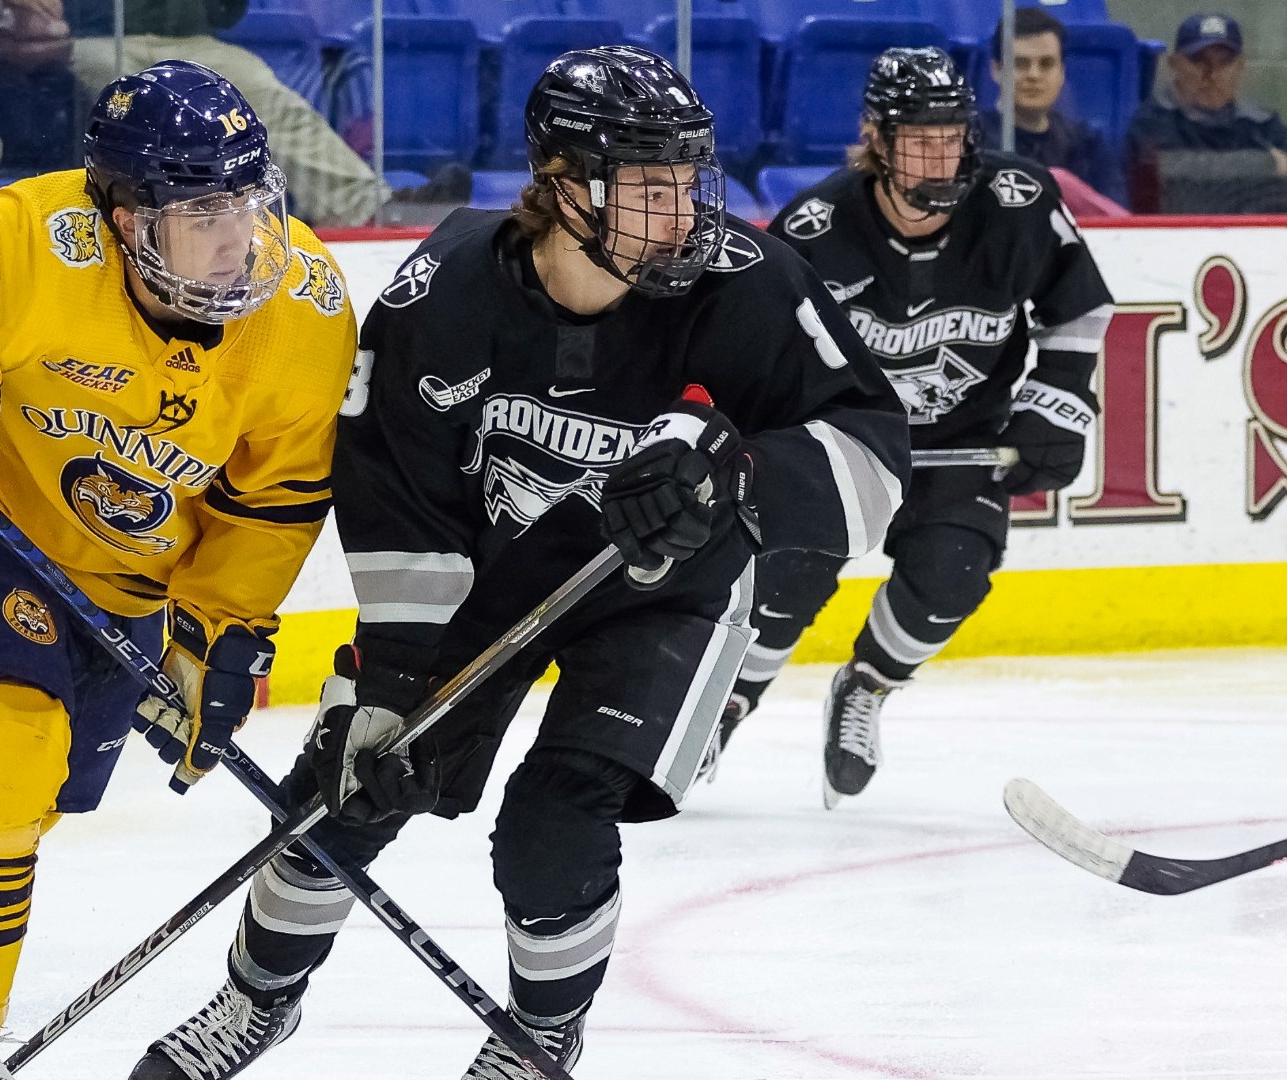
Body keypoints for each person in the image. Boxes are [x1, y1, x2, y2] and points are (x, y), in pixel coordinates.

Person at [129, 45, 910, 1080]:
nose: (683, 214)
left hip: (660, 600)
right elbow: (395, 495)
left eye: (688, 181)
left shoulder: (750, 287)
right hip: (482, 591)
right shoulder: (441, 294)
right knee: (343, 791)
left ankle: (540, 1039)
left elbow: (876, 456)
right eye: (649, 187)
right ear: (563, 184)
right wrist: (396, 684)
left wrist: (742, 477)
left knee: (554, 818)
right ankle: (256, 1003)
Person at [0, 59, 356, 1079]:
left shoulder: (304, 313)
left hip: (128, 592)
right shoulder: (43, 247)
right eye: (204, 209)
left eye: (252, 202)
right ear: (128, 220)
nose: (238, 237)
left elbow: (274, 498)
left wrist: (218, 632)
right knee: (3, 755)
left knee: (11, 799)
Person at [739, 47, 1114, 806]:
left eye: (952, 136)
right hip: (844, 437)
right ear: (874, 137)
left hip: (961, 437)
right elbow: (750, 346)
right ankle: (727, 704)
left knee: (952, 576)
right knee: (784, 583)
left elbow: (1076, 306)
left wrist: (1056, 401)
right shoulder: (815, 227)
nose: (940, 157)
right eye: (918, 139)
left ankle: (867, 685)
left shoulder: (1014, 201)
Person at [62, 0, 469, 227]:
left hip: (190, 41)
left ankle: (365, 207)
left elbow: (225, 13)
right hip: (87, 40)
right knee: (123, 101)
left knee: (267, 97)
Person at [1129, 13, 1287, 213]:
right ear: (1174, 65)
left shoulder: (1264, 127)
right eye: (1198, 61)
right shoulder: (1151, 121)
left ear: (1239, 67)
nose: (1212, 73)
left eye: (1224, 62)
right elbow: (1165, 169)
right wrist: (1267, 163)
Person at [982, 7, 1125, 205]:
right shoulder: (971, 143)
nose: (1034, 75)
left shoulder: (1087, 146)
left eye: (1046, 64)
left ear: (1062, 72)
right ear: (996, 70)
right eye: (1021, 64)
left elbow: (1117, 225)